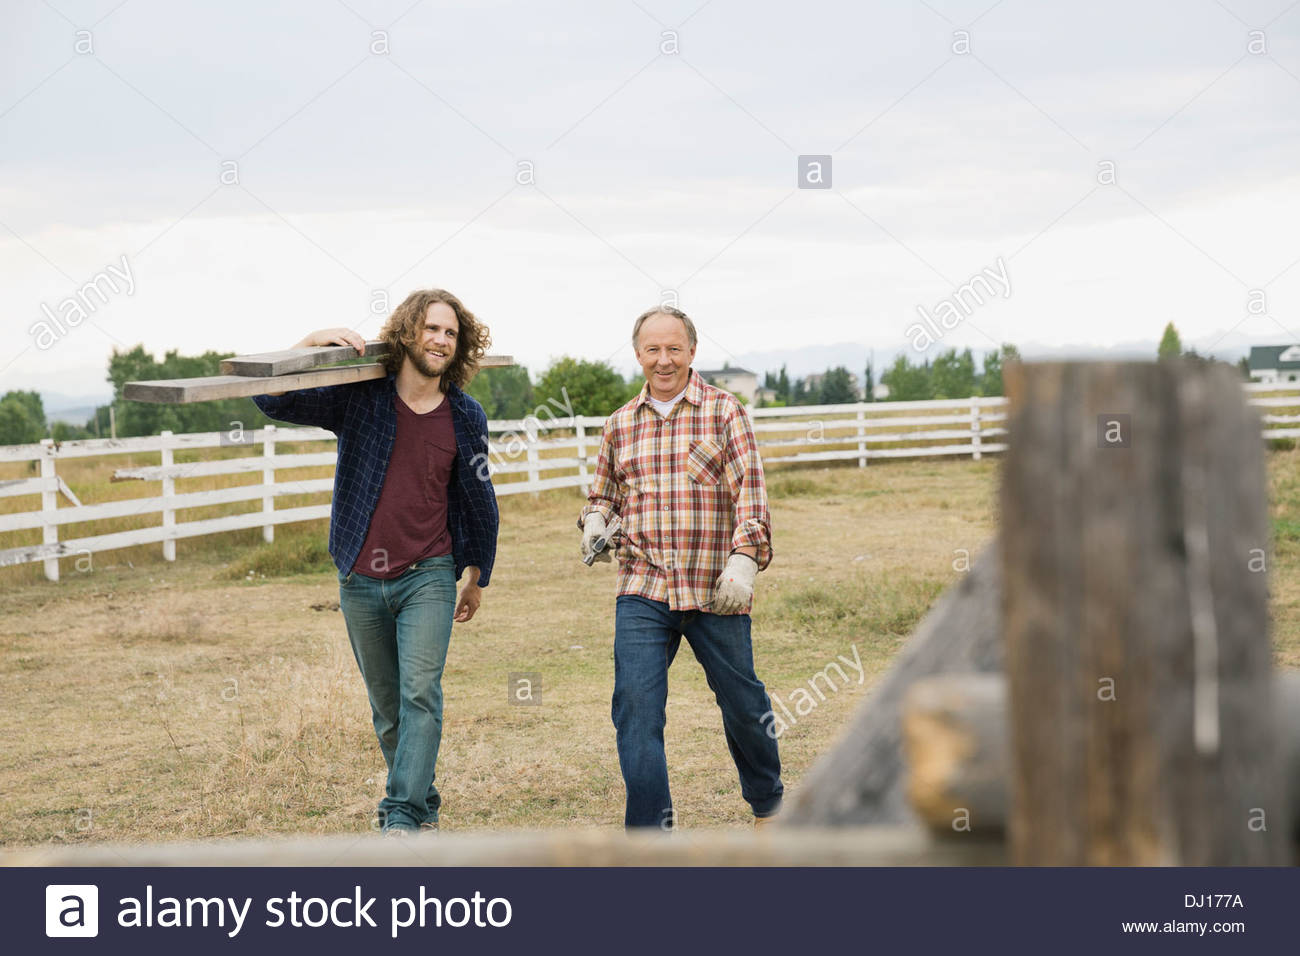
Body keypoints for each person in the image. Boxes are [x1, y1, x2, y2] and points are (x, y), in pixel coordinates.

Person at [252, 288, 499, 835]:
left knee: (420, 695)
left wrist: (477, 574)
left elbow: (480, 496)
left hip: (429, 574)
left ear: (459, 347)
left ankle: (401, 817)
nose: (440, 340)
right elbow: (272, 398)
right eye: (432, 329)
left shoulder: (465, 415)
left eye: (451, 333)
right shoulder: (362, 398)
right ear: (409, 333)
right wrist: (311, 341)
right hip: (359, 577)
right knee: (388, 710)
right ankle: (423, 805)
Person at [579, 306, 783, 829]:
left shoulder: (724, 411)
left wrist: (744, 560)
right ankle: (650, 838)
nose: (663, 360)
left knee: (743, 703)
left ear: (692, 351)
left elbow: (750, 495)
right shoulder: (620, 424)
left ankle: (770, 806)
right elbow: (602, 495)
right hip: (643, 585)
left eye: (674, 349)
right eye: (653, 349)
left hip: (718, 588)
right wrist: (595, 522)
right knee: (635, 711)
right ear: (638, 354)